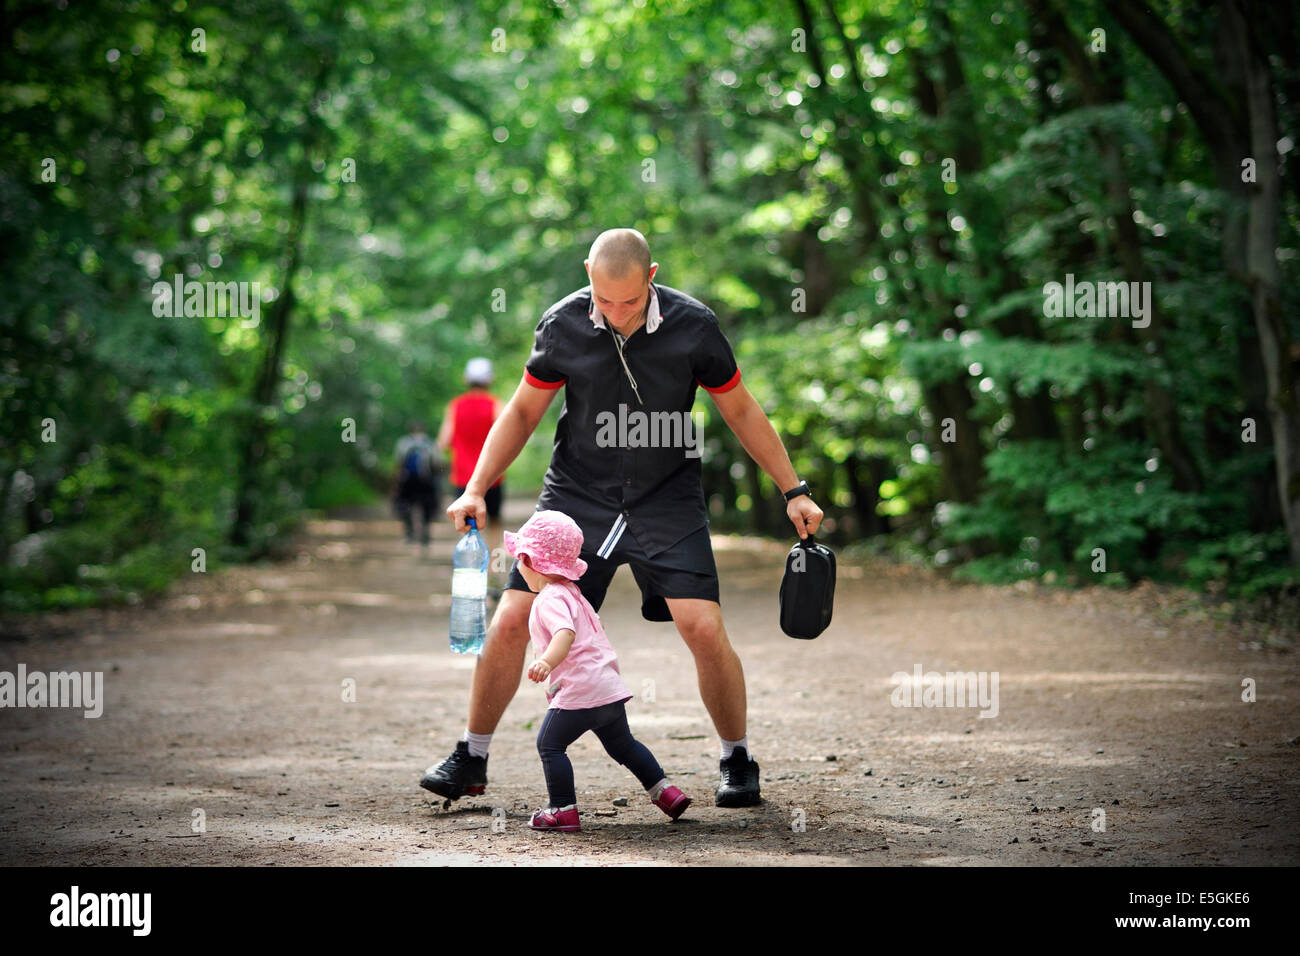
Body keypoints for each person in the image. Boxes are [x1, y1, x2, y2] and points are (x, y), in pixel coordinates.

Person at [420, 227, 823, 809]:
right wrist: (476, 487)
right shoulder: (562, 324)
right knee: (512, 618)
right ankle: (472, 756)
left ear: (652, 277)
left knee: (703, 627)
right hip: (577, 497)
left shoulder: (694, 326)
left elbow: (738, 407)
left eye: (629, 301)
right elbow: (524, 410)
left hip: (667, 496)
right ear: (588, 272)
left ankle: (737, 756)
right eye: (604, 300)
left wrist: (794, 490)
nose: (614, 312)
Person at [506, 510, 691, 831]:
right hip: (608, 688)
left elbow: (565, 634)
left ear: (529, 560)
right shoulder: (575, 594)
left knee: (549, 745)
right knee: (623, 744)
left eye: (520, 558)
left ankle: (562, 809)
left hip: (581, 692)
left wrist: (546, 662)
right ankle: (665, 791)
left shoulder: (549, 599)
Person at [439, 359, 506, 588]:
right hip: (492, 478)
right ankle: (494, 576)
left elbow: (444, 441)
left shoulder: (455, 406)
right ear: (489, 379)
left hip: (463, 479)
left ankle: (470, 575)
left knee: (465, 525)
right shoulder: (496, 404)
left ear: (466, 380)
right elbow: (506, 437)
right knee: (494, 523)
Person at [392, 420, 442, 548]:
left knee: (405, 506)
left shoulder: (404, 442)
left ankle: (409, 533)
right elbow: (436, 463)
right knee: (427, 507)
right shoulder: (430, 443)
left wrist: (397, 480)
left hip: (407, 481)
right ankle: (425, 534)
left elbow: (398, 462)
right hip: (426, 481)